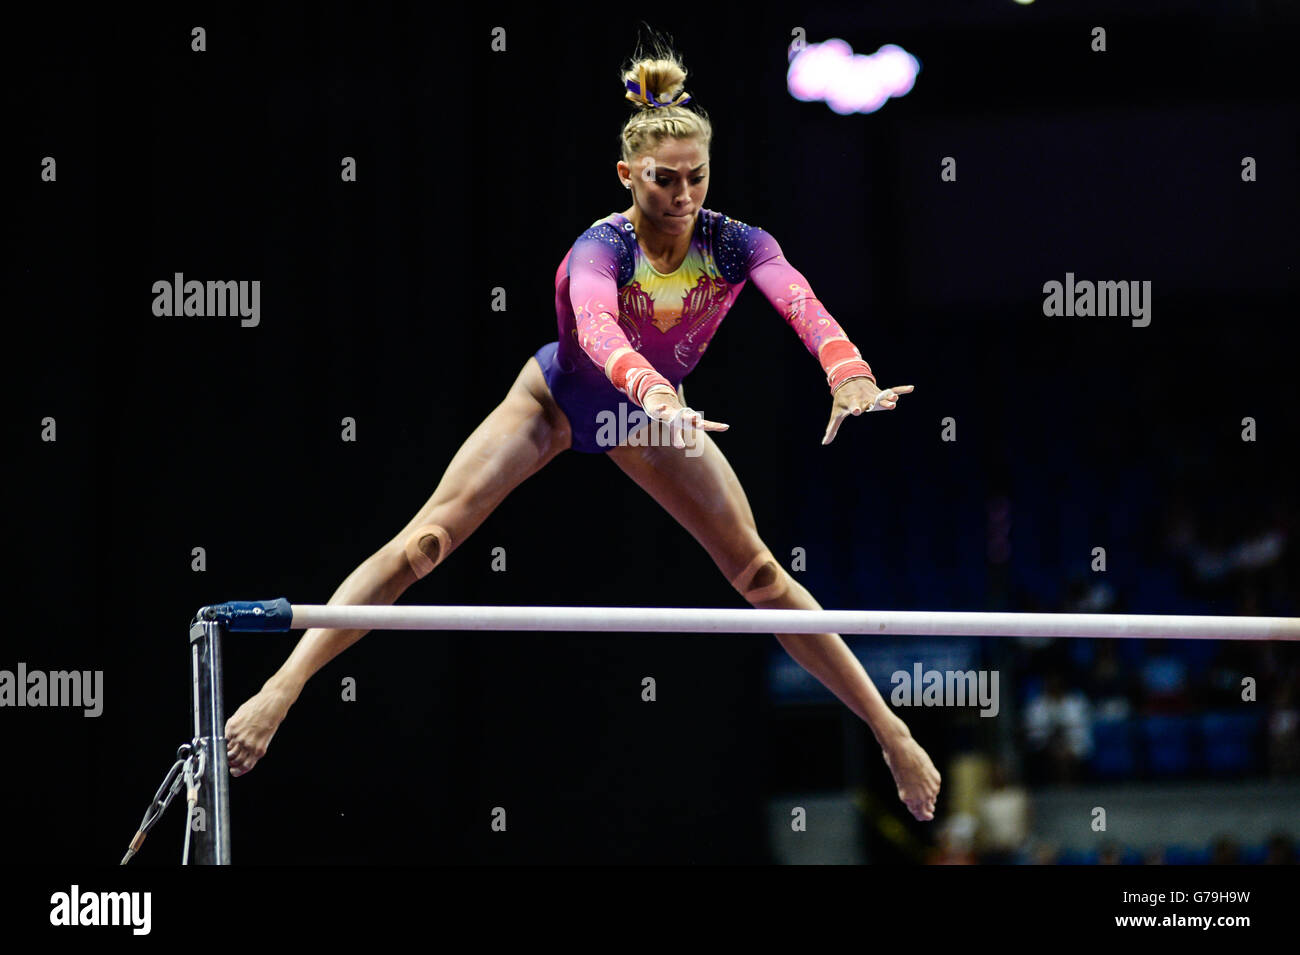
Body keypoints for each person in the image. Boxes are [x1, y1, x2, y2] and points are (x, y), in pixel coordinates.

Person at [224, 40, 942, 823]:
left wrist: (849, 373)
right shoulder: (600, 249)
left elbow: (800, 300)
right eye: (664, 179)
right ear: (628, 176)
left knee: (761, 576)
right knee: (424, 543)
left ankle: (891, 728)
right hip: (560, 400)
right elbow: (600, 334)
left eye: (696, 176)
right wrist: (658, 397)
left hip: (648, 417)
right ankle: (282, 684)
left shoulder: (736, 243)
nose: (683, 194)